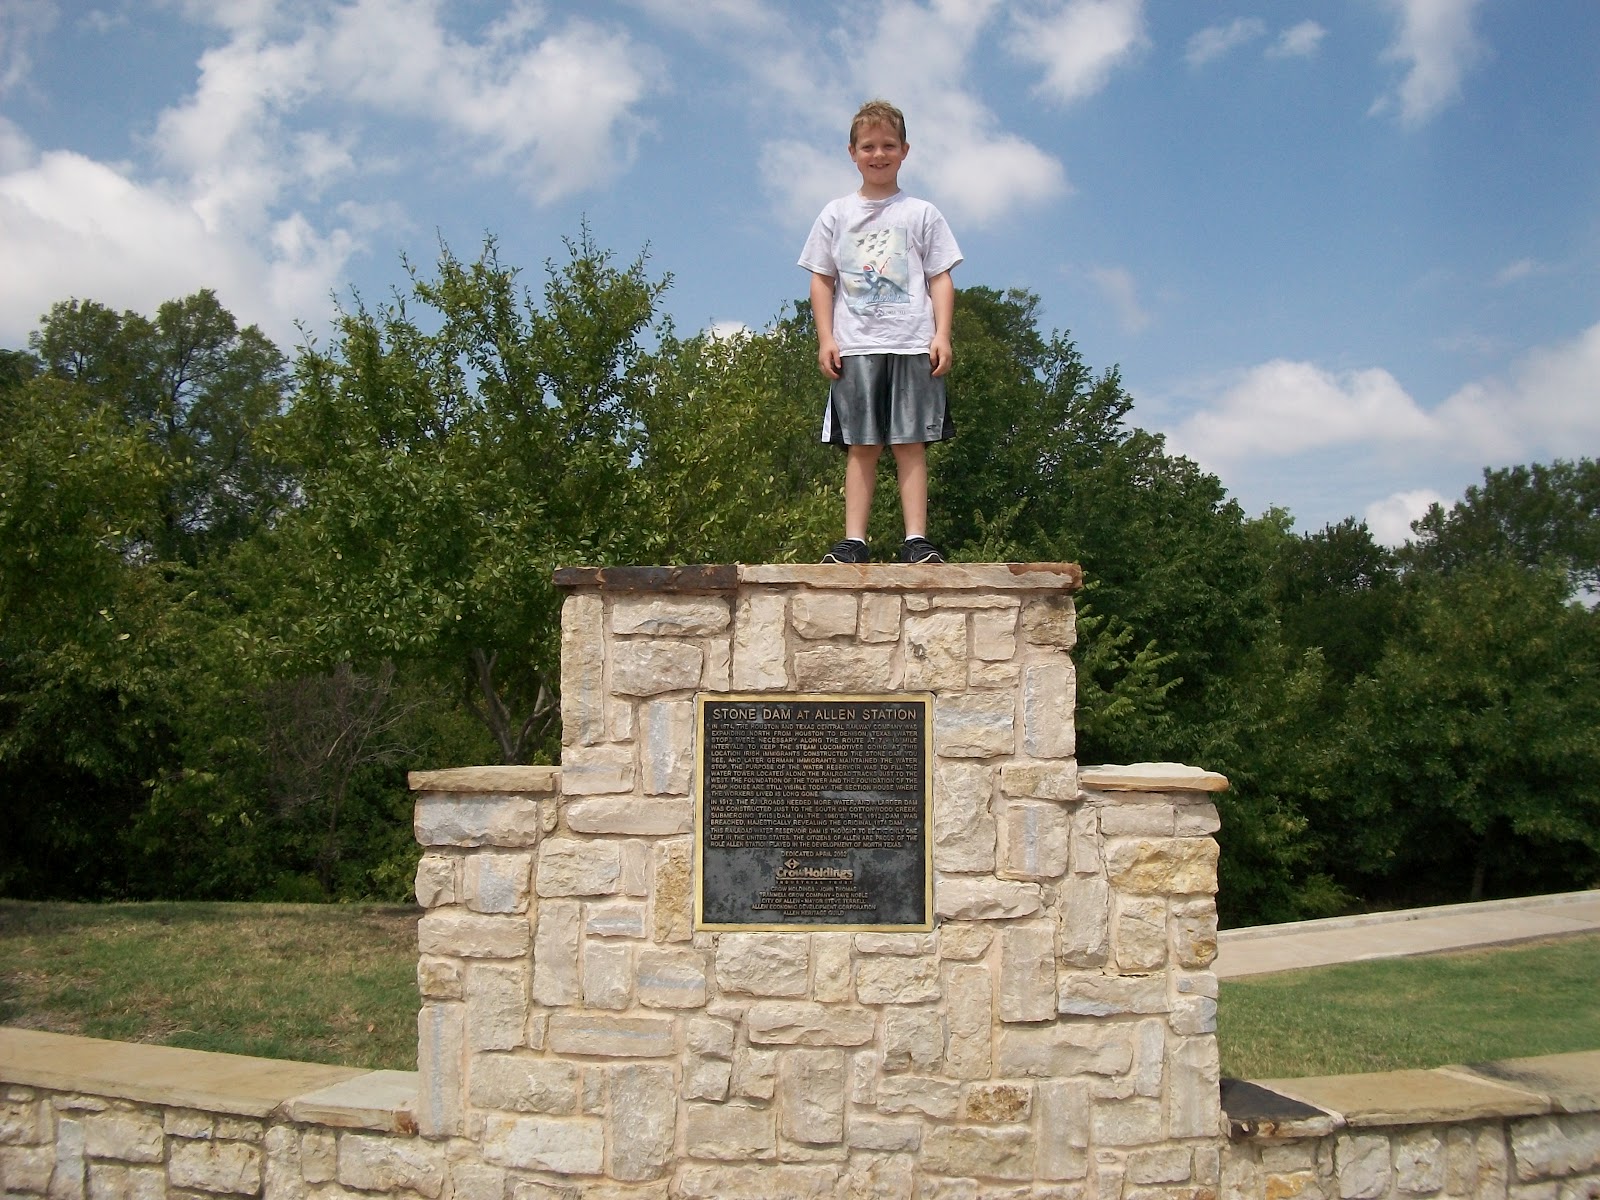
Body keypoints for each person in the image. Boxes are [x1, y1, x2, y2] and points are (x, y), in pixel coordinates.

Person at [798, 99, 962, 565]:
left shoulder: (922, 213)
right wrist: (826, 338)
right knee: (862, 444)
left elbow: (940, 276)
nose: (878, 154)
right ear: (852, 152)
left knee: (911, 443)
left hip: (912, 340)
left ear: (904, 150)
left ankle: (916, 540)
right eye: (868, 146)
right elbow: (821, 278)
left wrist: (943, 334)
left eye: (888, 145)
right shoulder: (836, 214)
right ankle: (854, 540)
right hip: (856, 345)